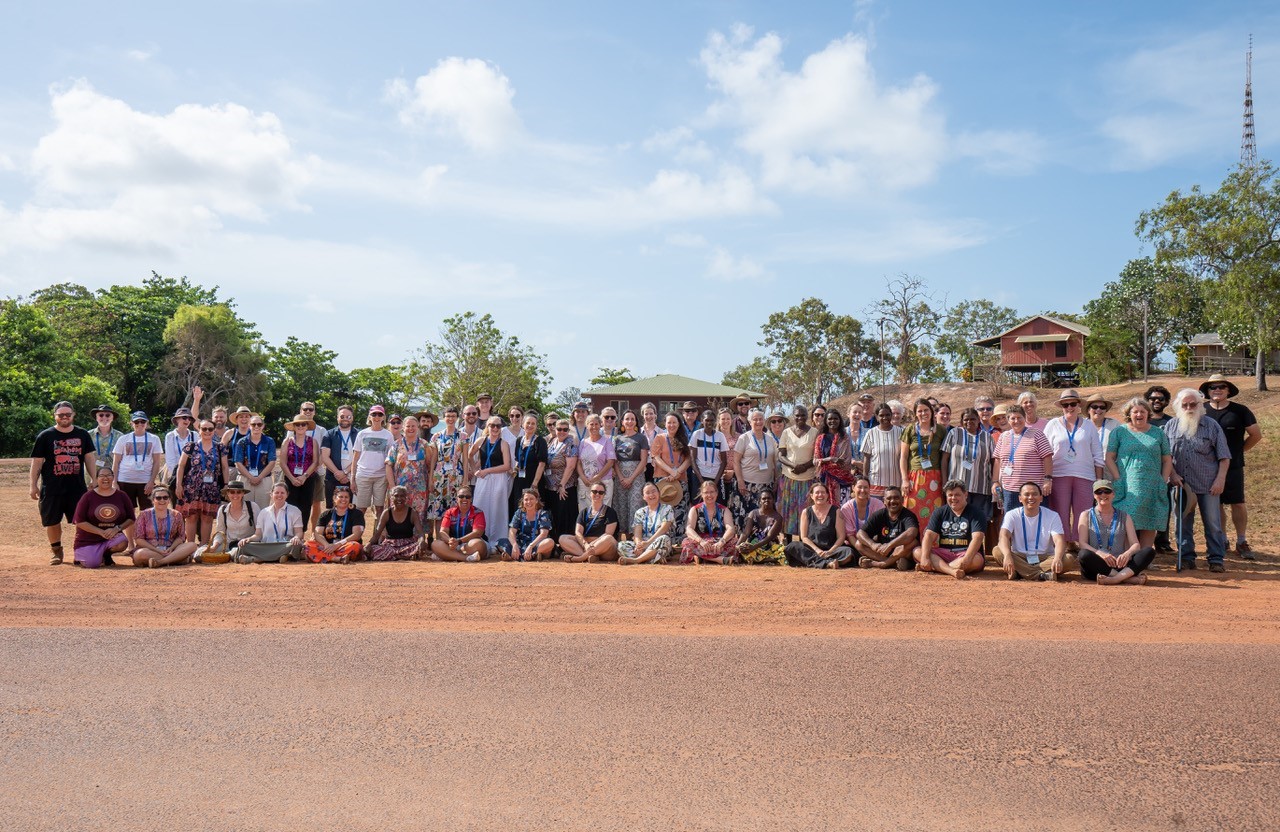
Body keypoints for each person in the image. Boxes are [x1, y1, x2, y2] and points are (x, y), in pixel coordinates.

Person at [1165, 388, 1231, 572]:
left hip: (1208, 484)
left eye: (1192, 404)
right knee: (1182, 523)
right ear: (1178, 406)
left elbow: (1224, 456)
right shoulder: (1171, 425)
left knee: (1213, 523)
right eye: (1184, 404)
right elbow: (1165, 456)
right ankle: (1186, 557)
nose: (1189, 407)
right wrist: (1172, 475)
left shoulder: (1211, 425)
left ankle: (1216, 559)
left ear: (1200, 405)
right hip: (1181, 485)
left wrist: (1220, 480)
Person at [1200, 374, 1262, 559]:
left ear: (1228, 390)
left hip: (1234, 467)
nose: (1217, 390)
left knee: (1238, 503)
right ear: (1207, 391)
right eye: (1212, 387)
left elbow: (1255, 435)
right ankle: (1222, 539)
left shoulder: (1240, 410)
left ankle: (1241, 541)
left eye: (1221, 386)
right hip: (1208, 466)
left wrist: (1239, 452)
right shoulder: (1201, 410)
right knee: (1215, 504)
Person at [30, 401, 97, 565]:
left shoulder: (82, 434)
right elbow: (37, 462)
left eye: (68, 414)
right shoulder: (45, 436)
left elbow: (89, 458)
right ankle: (56, 552)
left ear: (73, 415)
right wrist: (33, 485)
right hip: (52, 487)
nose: (65, 417)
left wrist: (94, 479)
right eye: (61, 415)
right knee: (52, 521)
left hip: (76, 487)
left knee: (82, 521)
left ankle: (81, 551)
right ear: (55, 416)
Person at [1105, 397, 1172, 551]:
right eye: (1135, 411)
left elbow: (1167, 460)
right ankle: (1130, 557)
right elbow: (1109, 457)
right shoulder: (1119, 432)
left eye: (1142, 411)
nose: (1139, 414)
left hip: (1152, 484)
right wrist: (1117, 478)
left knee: (1150, 519)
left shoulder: (1158, 433)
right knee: (1128, 519)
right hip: (1127, 484)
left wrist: (1163, 480)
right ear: (1129, 414)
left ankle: (1145, 558)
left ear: (1148, 414)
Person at [1042, 390, 1104, 545]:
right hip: (1059, 474)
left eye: (1073, 404)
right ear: (1061, 406)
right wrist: (1046, 477)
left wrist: (1099, 481)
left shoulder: (1089, 426)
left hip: (1085, 476)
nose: (1069, 407)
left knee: (1083, 513)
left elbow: (1098, 454)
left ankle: (1080, 543)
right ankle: (1062, 544)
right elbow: (1045, 453)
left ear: (1079, 406)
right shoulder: (1053, 424)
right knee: (1059, 512)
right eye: (1065, 404)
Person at [1077, 479, 1155, 585]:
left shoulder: (1124, 516)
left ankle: (1115, 579)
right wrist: (1100, 554)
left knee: (1148, 551)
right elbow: (1082, 544)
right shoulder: (1086, 515)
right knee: (1084, 555)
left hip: (1120, 564)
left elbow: (1136, 544)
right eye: (1099, 492)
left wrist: (1127, 553)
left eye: (1107, 491)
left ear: (1113, 494)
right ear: (1094, 495)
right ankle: (1126, 578)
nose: (1103, 494)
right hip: (1097, 565)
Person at [996, 482, 1074, 581]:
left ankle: (1020, 573)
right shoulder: (1012, 514)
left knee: (1068, 559)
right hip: (1020, 557)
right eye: (1027, 494)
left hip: (1045, 558)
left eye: (1035, 494)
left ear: (1041, 498)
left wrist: (1057, 558)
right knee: (998, 551)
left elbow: (1059, 540)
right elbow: (1003, 536)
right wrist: (1007, 556)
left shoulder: (1053, 515)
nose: (1031, 497)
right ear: (1020, 498)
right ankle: (1041, 575)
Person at [914, 480, 986, 579]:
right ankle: (951, 571)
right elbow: (929, 535)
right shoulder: (939, 512)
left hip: (965, 553)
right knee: (917, 551)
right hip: (944, 553)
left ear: (965, 494)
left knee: (976, 560)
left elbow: (977, 538)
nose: (953, 498)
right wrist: (925, 557)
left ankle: (937, 568)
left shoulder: (976, 513)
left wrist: (966, 559)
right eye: (950, 495)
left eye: (957, 495)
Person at [175, 419, 229, 544]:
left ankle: (203, 547)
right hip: (191, 487)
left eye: (210, 429)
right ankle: (190, 547)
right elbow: (181, 465)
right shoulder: (191, 446)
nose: (207, 431)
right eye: (204, 429)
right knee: (191, 517)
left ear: (214, 430)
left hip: (212, 488)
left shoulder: (220, 447)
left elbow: (225, 467)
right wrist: (178, 485)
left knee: (207, 518)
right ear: (199, 430)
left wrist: (226, 485)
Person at [992, 404, 1053, 513]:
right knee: (1012, 523)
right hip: (1009, 490)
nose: (1016, 421)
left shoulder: (1037, 434)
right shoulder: (1003, 437)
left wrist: (1048, 479)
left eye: (1019, 417)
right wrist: (995, 481)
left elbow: (1047, 457)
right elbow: (997, 460)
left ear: (1024, 418)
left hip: (1033, 490)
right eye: (1013, 418)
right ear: (1008, 420)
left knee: (1036, 522)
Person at [70, 466, 135, 568]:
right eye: (102, 476)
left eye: (109, 475)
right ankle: (83, 556)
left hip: (111, 537)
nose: (106, 478)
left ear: (113, 478)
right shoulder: (87, 497)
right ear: (96, 479)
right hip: (88, 539)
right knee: (92, 564)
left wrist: (117, 529)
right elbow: (79, 521)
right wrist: (100, 532)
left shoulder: (122, 496)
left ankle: (106, 555)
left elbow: (131, 518)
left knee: (122, 542)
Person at [940, 408, 995, 525]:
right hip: (956, 487)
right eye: (966, 419)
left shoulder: (987, 437)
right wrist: (945, 482)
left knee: (977, 521)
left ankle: (977, 543)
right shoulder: (954, 433)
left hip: (980, 487)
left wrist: (994, 482)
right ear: (961, 421)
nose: (969, 422)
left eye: (973, 419)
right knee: (957, 519)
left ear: (978, 420)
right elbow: (944, 459)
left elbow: (994, 462)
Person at [900, 399, 947, 528]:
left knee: (934, 512)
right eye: (919, 411)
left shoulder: (941, 431)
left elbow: (945, 458)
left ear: (931, 412)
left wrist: (944, 480)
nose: (923, 413)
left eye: (926, 410)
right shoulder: (910, 430)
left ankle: (933, 545)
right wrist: (904, 480)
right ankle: (913, 544)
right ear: (915, 414)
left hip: (935, 478)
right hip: (914, 477)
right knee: (912, 511)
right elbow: (903, 457)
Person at [784, 482, 852, 568]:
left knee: (848, 551)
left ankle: (818, 562)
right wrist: (817, 550)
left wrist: (830, 552)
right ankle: (827, 563)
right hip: (812, 550)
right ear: (812, 496)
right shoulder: (806, 512)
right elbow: (804, 537)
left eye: (823, 492)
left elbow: (841, 537)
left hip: (831, 550)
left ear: (827, 495)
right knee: (792, 546)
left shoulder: (836, 511)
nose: (820, 495)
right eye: (817, 492)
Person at [732, 408, 780, 527]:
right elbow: (736, 461)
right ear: (749, 421)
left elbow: (775, 462)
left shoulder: (770, 439)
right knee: (748, 517)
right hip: (748, 485)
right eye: (755, 419)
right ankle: (746, 542)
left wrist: (776, 480)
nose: (758, 422)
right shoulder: (744, 438)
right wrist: (740, 480)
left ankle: (764, 542)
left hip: (766, 485)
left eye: (761, 419)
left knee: (765, 517)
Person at [129, 485, 198, 567]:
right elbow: (139, 539)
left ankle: (161, 562)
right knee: (139, 554)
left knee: (192, 545)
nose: (162, 500)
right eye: (158, 498)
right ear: (153, 500)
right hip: (150, 549)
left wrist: (172, 548)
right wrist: (156, 550)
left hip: (171, 549)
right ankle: (176, 559)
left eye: (165, 497)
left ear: (169, 500)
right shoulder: (144, 514)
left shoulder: (177, 515)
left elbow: (180, 537)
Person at [776, 405, 819, 537]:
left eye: (803, 415)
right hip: (789, 479)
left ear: (807, 416)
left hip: (808, 479)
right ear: (793, 416)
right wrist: (793, 465)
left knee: (805, 512)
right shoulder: (786, 432)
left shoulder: (815, 432)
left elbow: (817, 455)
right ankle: (788, 543)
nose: (800, 418)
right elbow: (781, 455)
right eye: (797, 415)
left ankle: (804, 542)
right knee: (788, 512)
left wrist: (804, 467)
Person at [235, 482, 304, 563]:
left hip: (285, 545)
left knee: (296, 545)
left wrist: (296, 538)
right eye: (276, 492)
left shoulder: (295, 511)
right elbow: (258, 535)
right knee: (244, 546)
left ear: (287, 495)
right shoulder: (264, 512)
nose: (279, 495)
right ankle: (282, 557)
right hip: (267, 546)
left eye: (282, 493)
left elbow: (299, 533)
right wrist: (248, 539)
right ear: (271, 494)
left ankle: (257, 559)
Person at [385, 415, 434, 526]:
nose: (411, 428)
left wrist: (430, 482)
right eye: (408, 426)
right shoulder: (396, 445)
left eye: (413, 426)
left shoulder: (424, 445)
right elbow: (388, 465)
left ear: (418, 427)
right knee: (400, 514)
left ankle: (418, 540)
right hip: (400, 488)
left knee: (418, 515)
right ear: (403, 428)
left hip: (420, 489)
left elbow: (430, 465)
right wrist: (393, 486)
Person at [853, 485, 918, 570]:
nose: (893, 501)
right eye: (889, 498)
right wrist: (873, 544)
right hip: (883, 553)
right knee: (859, 544)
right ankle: (891, 563)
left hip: (901, 552)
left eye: (896, 498)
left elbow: (912, 533)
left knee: (913, 542)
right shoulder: (879, 514)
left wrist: (890, 545)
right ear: (884, 501)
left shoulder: (909, 516)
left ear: (902, 499)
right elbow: (860, 533)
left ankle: (881, 564)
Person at [426, 406, 467, 539]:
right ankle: (438, 540)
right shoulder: (436, 436)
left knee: (454, 509)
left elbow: (465, 460)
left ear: (457, 418)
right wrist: (431, 477)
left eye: (453, 416)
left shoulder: (463, 436)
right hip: (439, 475)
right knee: (437, 508)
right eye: (448, 416)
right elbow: (433, 458)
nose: (450, 419)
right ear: (444, 418)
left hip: (456, 475)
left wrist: (465, 480)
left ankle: (452, 540)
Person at [470, 416, 513, 541]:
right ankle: (479, 536)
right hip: (483, 479)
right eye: (492, 425)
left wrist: (487, 471)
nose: (495, 428)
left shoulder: (504, 444)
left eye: (498, 426)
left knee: (497, 509)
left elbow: (506, 466)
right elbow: (469, 455)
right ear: (487, 427)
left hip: (499, 479)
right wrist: (474, 470)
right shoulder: (481, 441)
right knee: (480, 506)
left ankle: (497, 539)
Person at [195, 479, 259, 563]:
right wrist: (214, 546)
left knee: (237, 551)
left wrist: (249, 539)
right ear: (228, 493)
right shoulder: (222, 509)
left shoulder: (253, 507)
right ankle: (233, 556)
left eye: (238, 492)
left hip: (247, 544)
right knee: (198, 553)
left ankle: (233, 556)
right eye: (232, 492)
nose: (235, 495)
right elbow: (220, 532)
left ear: (243, 493)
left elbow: (259, 531)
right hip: (228, 544)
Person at [111, 411, 163, 511]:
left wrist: (152, 481)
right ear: (131, 423)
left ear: (147, 423)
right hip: (125, 480)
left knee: (147, 512)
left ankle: (144, 527)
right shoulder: (123, 439)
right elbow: (116, 461)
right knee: (128, 512)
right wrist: (115, 482)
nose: (139, 424)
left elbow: (157, 462)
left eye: (142, 421)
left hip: (145, 481)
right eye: (136, 422)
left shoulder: (154, 439)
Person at [650, 413, 691, 537]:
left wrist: (677, 472)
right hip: (663, 479)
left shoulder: (685, 438)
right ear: (665, 424)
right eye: (669, 422)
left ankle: (678, 539)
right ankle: (663, 538)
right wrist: (671, 471)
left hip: (680, 479)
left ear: (679, 424)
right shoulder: (659, 438)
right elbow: (656, 457)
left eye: (674, 422)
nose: (672, 425)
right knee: (663, 511)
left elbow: (689, 459)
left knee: (680, 510)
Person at [351, 405, 394, 522]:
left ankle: (379, 537)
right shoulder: (362, 434)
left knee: (380, 508)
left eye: (379, 414)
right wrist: (352, 478)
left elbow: (391, 459)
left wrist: (391, 480)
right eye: (374, 414)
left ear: (383, 417)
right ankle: (357, 536)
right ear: (369, 416)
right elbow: (355, 457)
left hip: (381, 476)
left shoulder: (388, 435)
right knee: (361, 508)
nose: (376, 417)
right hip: (363, 475)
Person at [681, 479, 738, 565]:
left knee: (735, 542)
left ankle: (702, 558)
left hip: (719, 543)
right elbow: (689, 529)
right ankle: (719, 559)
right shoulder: (695, 509)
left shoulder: (724, 510)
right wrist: (701, 541)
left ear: (717, 493)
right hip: (702, 543)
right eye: (706, 492)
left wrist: (722, 542)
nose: (709, 495)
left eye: (712, 492)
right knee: (686, 542)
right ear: (701, 494)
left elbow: (730, 528)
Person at [610, 410, 649, 536]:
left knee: (635, 505)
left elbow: (643, 461)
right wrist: (621, 477)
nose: (630, 422)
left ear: (636, 422)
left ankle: (635, 535)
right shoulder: (616, 439)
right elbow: (614, 460)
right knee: (621, 506)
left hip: (636, 476)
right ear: (622, 422)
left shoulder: (641, 438)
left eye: (632, 419)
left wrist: (631, 478)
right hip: (620, 476)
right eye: (627, 419)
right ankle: (623, 535)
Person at [304, 485, 365, 563]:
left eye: (346, 497)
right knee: (308, 545)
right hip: (328, 547)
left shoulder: (357, 513)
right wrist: (326, 545)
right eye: (341, 497)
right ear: (334, 498)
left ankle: (326, 557)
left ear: (350, 499)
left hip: (344, 546)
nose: (343, 499)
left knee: (355, 546)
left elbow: (357, 535)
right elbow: (317, 534)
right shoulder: (326, 514)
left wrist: (338, 544)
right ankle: (338, 559)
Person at [561, 482, 620, 562]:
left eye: (601, 492)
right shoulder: (584, 512)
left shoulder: (610, 512)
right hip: (586, 544)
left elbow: (608, 533)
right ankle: (590, 556)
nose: (597, 494)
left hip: (604, 547)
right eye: (594, 491)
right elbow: (578, 532)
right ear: (590, 493)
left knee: (609, 538)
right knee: (563, 538)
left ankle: (581, 557)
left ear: (604, 495)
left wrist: (591, 544)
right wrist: (585, 544)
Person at [619, 482, 676, 564]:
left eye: (653, 491)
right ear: (643, 497)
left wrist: (648, 543)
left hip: (658, 543)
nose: (651, 495)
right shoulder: (640, 512)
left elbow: (664, 529)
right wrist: (639, 545)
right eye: (648, 493)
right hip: (644, 545)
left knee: (664, 538)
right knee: (621, 545)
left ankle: (637, 560)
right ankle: (652, 558)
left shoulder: (667, 508)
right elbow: (637, 534)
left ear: (659, 493)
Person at [543, 418, 580, 539]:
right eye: (559, 429)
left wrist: (562, 485)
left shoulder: (570, 443)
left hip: (564, 488)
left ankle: (565, 543)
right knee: (553, 515)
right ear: (555, 429)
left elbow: (570, 466)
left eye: (565, 429)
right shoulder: (553, 441)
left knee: (564, 517)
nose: (562, 432)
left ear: (568, 431)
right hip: (550, 487)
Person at [279, 414, 322, 521]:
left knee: (306, 507)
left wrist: (304, 476)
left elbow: (315, 461)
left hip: (308, 479)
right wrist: (292, 478)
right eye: (297, 424)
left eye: (303, 424)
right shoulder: (287, 441)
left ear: (307, 426)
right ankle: (290, 534)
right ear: (294, 427)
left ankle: (301, 534)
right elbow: (283, 462)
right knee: (289, 506)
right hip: (290, 479)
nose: (300, 426)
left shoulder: (313, 441)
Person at [368, 485, 427, 561]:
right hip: (390, 545)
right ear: (391, 498)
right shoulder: (386, 513)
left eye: (402, 496)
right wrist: (369, 544)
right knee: (373, 550)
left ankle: (394, 556)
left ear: (406, 498)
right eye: (396, 496)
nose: (399, 499)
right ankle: (403, 557)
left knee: (421, 546)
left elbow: (421, 533)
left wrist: (422, 541)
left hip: (408, 544)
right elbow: (377, 534)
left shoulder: (412, 513)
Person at [496, 488, 555, 561]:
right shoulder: (519, 513)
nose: (529, 502)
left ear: (536, 500)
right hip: (521, 544)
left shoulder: (543, 514)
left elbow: (544, 534)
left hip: (536, 543)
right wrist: (514, 545)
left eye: (531, 499)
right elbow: (512, 531)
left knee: (549, 542)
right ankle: (531, 556)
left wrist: (530, 546)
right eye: (526, 499)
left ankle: (516, 556)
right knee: (500, 541)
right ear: (523, 502)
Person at [811, 409, 855, 508]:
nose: (833, 421)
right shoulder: (820, 438)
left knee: (842, 511)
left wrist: (824, 462)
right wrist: (831, 459)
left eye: (836, 419)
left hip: (842, 482)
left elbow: (845, 462)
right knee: (826, 511)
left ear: (840, 421)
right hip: (824, 481)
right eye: (830, 419)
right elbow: (815, 460)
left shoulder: (845, 438)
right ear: (826, 421)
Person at [232, 414, 276, 508]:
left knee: (263, 509)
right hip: (245, 479)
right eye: (253, 424)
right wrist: (251, 477)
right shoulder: (242, 442)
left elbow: (272, 461)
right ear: (249, 426)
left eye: (259, 424)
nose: (256, 426)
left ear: (263, 426)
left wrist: (259, 477)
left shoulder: (269, 441)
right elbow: (238, 462)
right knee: (245, 509)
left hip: (264, 479)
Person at [431, 488, 488, 562]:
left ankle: (447, 555)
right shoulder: (450, 512)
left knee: (478, 544)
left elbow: (477, 533)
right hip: (453, 546)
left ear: (471, 499)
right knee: (435, 544)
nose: (464, 499)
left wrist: (459, 541)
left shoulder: (478, 512)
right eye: (461, 496)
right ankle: (466, 558)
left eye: (467, 497)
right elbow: (443, 532)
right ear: (457, 499)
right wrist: (449, 541)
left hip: (469, 545)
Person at [859, 404, 903, 499]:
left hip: (895, 482)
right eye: (881, 415)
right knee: (877, 511)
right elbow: (867, 458)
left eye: (887, 415)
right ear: (876, 417)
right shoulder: (871, 433)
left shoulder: (901, 432)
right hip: (875, 482)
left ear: (891, 415)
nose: (885, 418)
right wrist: (865, 478)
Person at [510, 414, 549, 518]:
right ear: (523, 424)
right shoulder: (519, 440)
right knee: (519, 506)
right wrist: (514, 470)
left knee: (534, 507)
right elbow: (518, 460)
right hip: (520, 480)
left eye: (533, 423)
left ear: (536, 426)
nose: (530, 425)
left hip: (534, 480)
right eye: (528, 423)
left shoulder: (540, 441)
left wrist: (534, 484)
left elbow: (542, 464)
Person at [575, 414, 616, 510]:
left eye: (596, 424)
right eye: (591, 424)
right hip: (585, 483)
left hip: (603, 482)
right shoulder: (583, 442)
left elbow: (610, 462)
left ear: (600, 425)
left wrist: (598, 477)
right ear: (587, 426)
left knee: (603, 511)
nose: (594, 427)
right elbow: (579, 463)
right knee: (585, 511)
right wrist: (583, 478)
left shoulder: (607, 441)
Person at [320, 405, 358, 508]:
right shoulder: (329, 434)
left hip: (352, 478)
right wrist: (338, 473)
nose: (345, 419)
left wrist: (345, 472)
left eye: (348, 416)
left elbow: (360, 457)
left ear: (352, 417)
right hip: (332, 478)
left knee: (351, 509)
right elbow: (325, 457)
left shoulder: (359, 434)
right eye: (342, 416)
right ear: (337, 417)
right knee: (332, 509)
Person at [736, 487, 786, 564]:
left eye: (769, 498)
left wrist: (754, 547)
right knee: (743, 547)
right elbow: (746, 533)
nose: (766, 500)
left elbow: (769, 537)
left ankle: (759, 559)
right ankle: (768, 560)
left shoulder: (778, 518)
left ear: (773, 501)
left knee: (783, 551)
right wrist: (737, 546)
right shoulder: (753, 513)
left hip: (769, 547)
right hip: (751, 546)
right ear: (759, 501)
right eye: (764, 498)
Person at [689, 413, 730, 502]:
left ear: (715, 421)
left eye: (712, 420)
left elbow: (724, 461)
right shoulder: (697, 434)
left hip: (715, 476)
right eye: (707, 420)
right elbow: (692, 459)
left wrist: (715, 482)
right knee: (698, 505)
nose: (709, 423)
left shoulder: (720, 436)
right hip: (699, 476)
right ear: (702, 421)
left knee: (716, 505)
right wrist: (702, 481)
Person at [839, 477, 884, 549]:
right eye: (859, 487)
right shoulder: (846, 508)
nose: (862, 490)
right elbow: (849, 535)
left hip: (875, 543)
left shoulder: (878, 504)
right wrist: (860, 549)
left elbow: (881, 529)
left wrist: (872, 545)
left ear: (869, 489)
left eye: (865, 487)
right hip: (855, 545)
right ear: (853, 488)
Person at [162, 406, 197, 487]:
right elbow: (170, 459)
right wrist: (177, 477)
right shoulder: (170, 436)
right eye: (184, 418)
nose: (187, 420)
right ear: (177, 419)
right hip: (174, 472)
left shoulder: (195, 435)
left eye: (189, 418)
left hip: (192, 473)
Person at [88, 405, 123, 475]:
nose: (104, 417)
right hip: (91, 478)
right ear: (96, 417)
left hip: (112, 478)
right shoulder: (87, 435)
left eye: (107, 415)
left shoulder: (120, 437)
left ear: (112, 418)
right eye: (101, 415)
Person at [639, 402, 662, 481]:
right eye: (646, 414)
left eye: (651, 413)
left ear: (655, 415)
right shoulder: (638, 432)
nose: (649, 416)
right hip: (642, 467)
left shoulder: (662, 433)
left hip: (657, 466)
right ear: (643, 415)